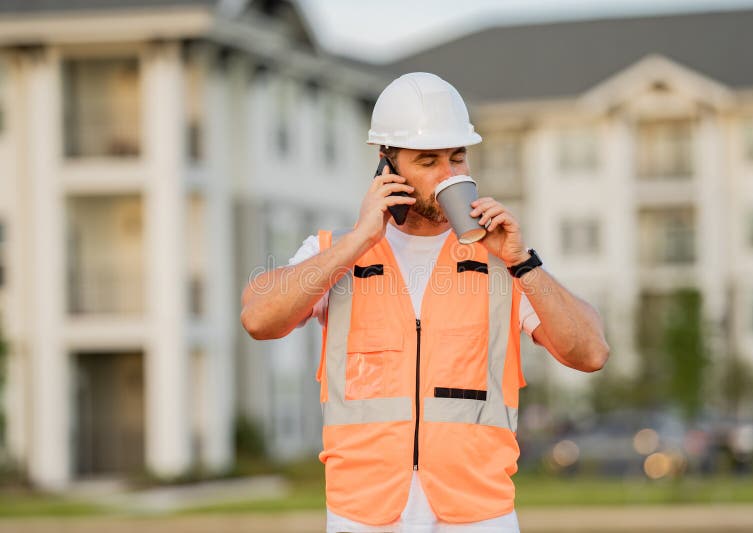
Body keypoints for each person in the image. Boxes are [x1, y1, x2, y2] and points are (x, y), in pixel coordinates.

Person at [241, 72, 609, 533]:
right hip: (364, 516)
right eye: (429, 161)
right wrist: (358, 240)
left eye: (458, 158)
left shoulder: (503, 261)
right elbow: (258, 317)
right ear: (387, 164)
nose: (449, 176)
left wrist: (523, 263)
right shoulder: (338, 252)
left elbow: (591, 352)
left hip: (478, 515)